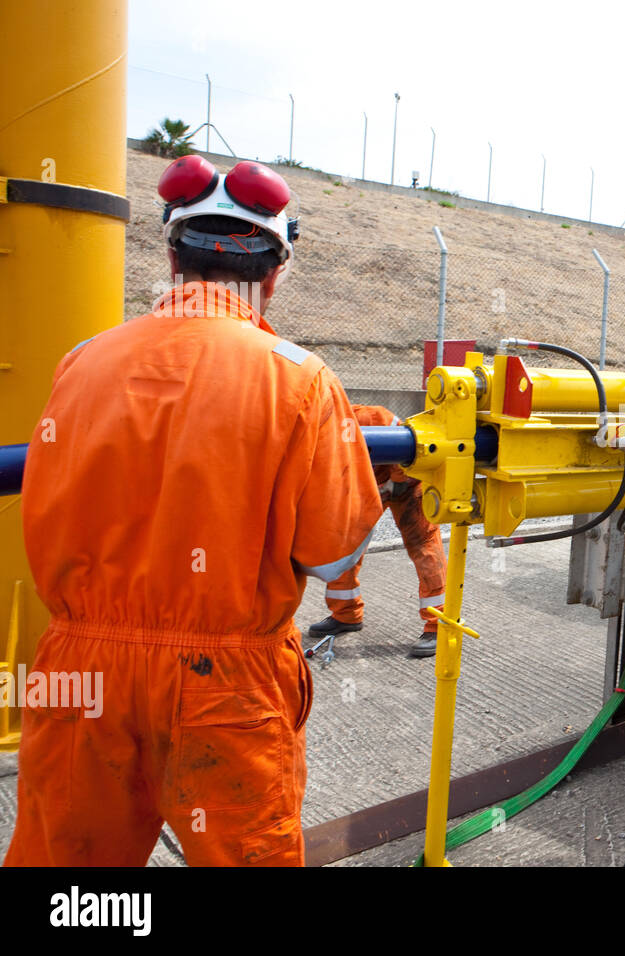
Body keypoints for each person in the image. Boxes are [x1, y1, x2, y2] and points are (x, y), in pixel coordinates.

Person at [4, 155, 382, 866]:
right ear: (275, 273)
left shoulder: (82, 360)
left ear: (172, 256)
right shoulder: (300, 379)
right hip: (223, 686)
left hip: (79, 671)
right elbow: (333, 556)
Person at [307, 403, 448, 658]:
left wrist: (397, 482)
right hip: (368, 485)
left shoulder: (369, 418)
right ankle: (346, 614)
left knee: (423, 546)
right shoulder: (311, 435)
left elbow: (406, 444)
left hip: (407, 481)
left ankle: (438, 625)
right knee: (343, 545)